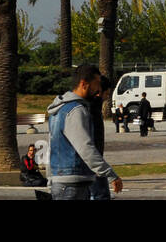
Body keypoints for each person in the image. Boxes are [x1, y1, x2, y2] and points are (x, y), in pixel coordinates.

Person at [46, 64, 122, 200]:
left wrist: (51, 177)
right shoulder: (76, 110)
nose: (99, 90)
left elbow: (51, 146)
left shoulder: (58, 110)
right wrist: (110, 174)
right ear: (84, 84)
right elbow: (85, 147)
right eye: (96, 84)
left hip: (61, 181)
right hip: (73, 185)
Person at [89, 75, 113, 200]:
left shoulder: (93, 108)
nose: (108, 96)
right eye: (107, 93)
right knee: (100, 195)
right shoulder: (91, 110)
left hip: (95, 162)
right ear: (99, 92)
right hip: (93, 163)